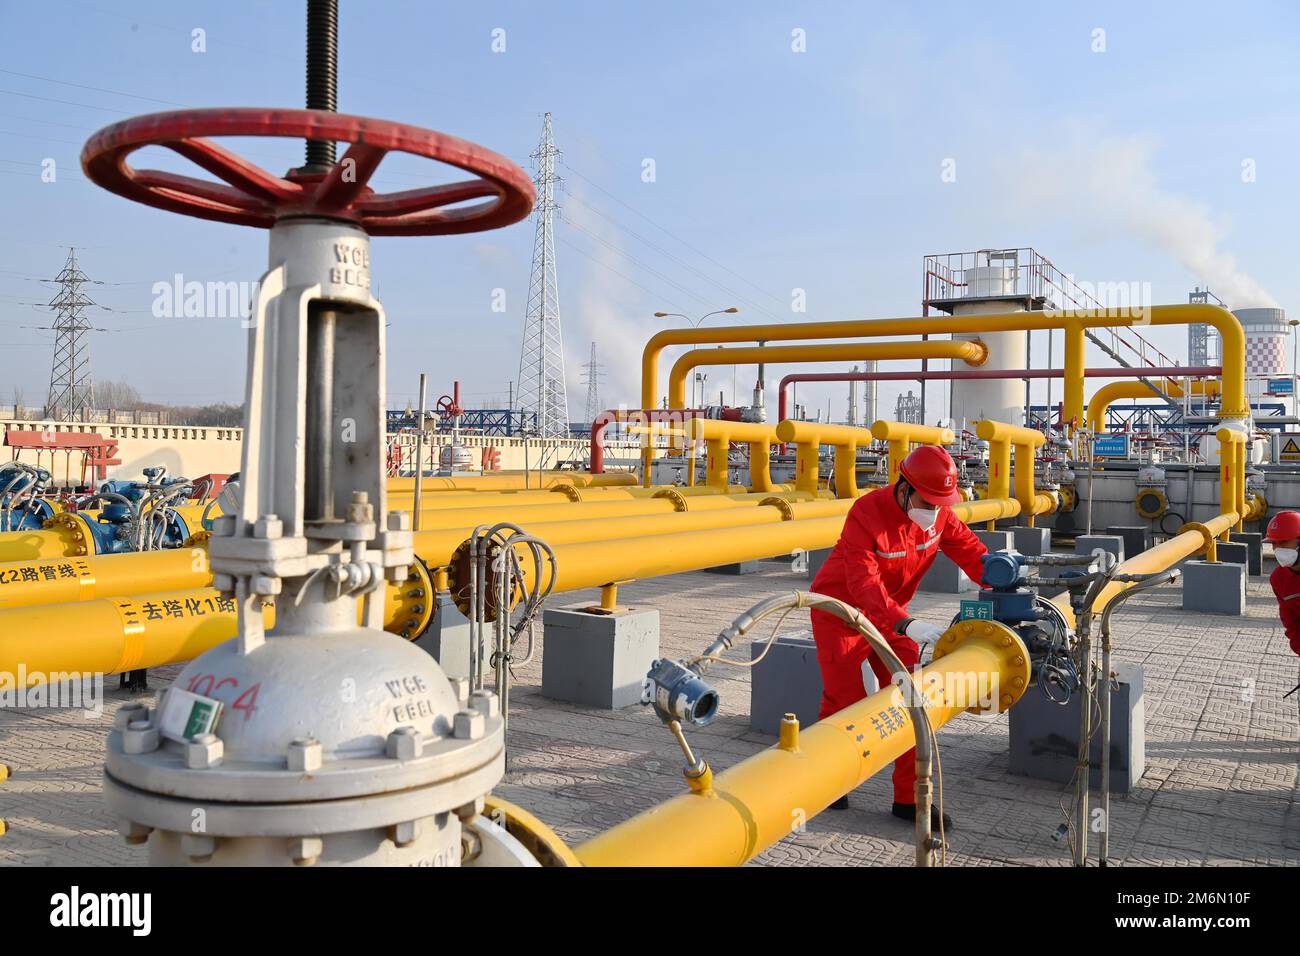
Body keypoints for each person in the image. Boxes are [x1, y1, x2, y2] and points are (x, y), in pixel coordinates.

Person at [809, 444, 988, 828]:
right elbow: (863, 583)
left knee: (913, 693)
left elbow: (973, 554)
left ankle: (909, 798)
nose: (935, 509)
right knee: (847, 701)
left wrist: (1009, 582)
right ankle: (830, 782)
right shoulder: (866, 513)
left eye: (942, 502)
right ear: (904, 488)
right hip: (840, 612)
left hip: (891, 618)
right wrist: (904, 623)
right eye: (929, 501)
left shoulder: (939, 516)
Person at [1265, 511, 1300, 659]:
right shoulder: (1278, 579)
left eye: (1284, 541)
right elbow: (1292, 623)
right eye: (1274, 543)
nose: (1277, 548)